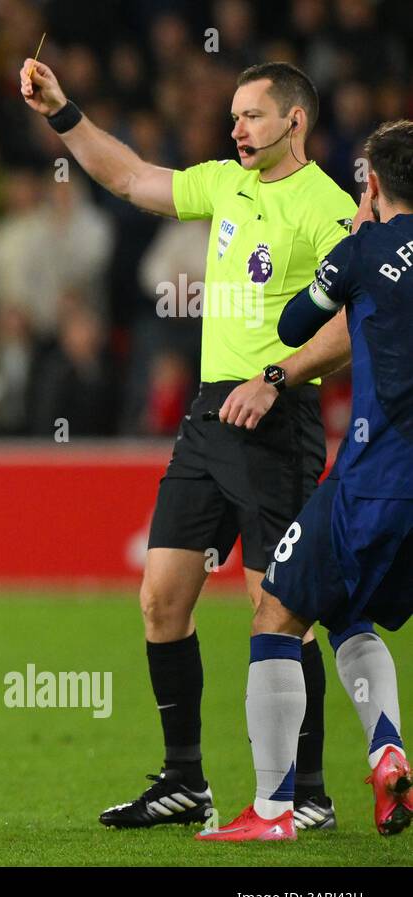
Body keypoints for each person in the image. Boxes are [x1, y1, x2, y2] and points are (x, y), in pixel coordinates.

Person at [21, 59, 356, 830]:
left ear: (295, 121)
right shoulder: (225, 184)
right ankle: (185, 781)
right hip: (209, 419)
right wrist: (63, 111)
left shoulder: (325, 206)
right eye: (235, 116)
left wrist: (275, 375)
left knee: (279, 606)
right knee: (162, 599)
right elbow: (131, 177)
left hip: (277, 419)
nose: (237, 128)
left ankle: (308, 793)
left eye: (254, 116)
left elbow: (350, 321)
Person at [199, 120, 413, 841]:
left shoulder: (360, 249)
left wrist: (352, 248)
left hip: (376, 477)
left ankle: (273, 810)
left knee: (277, 615)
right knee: (347, 612)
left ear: (373, 185)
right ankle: (386, 755)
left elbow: (294, 326)